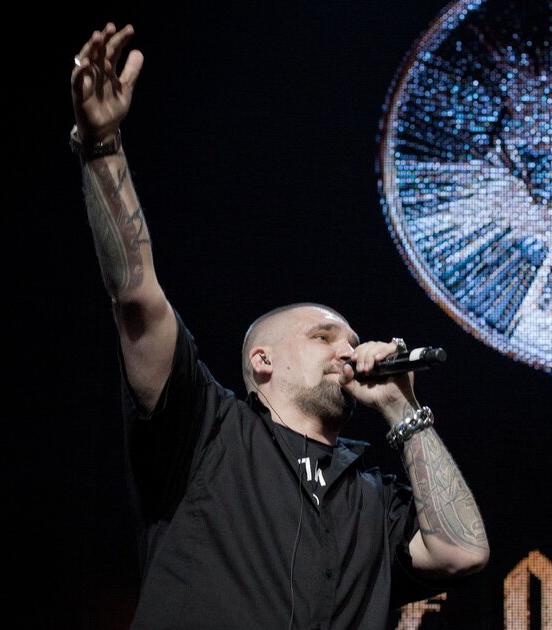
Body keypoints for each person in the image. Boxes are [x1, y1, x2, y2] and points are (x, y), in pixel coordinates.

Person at [70, 22, 489, 628]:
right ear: (262, 361)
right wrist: (101, 145)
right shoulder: (206, 429)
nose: (346, 349)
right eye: (323, 337)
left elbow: (463, 553)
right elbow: (136, 295)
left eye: (350, 340)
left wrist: (403, 411)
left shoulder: (373, 497)